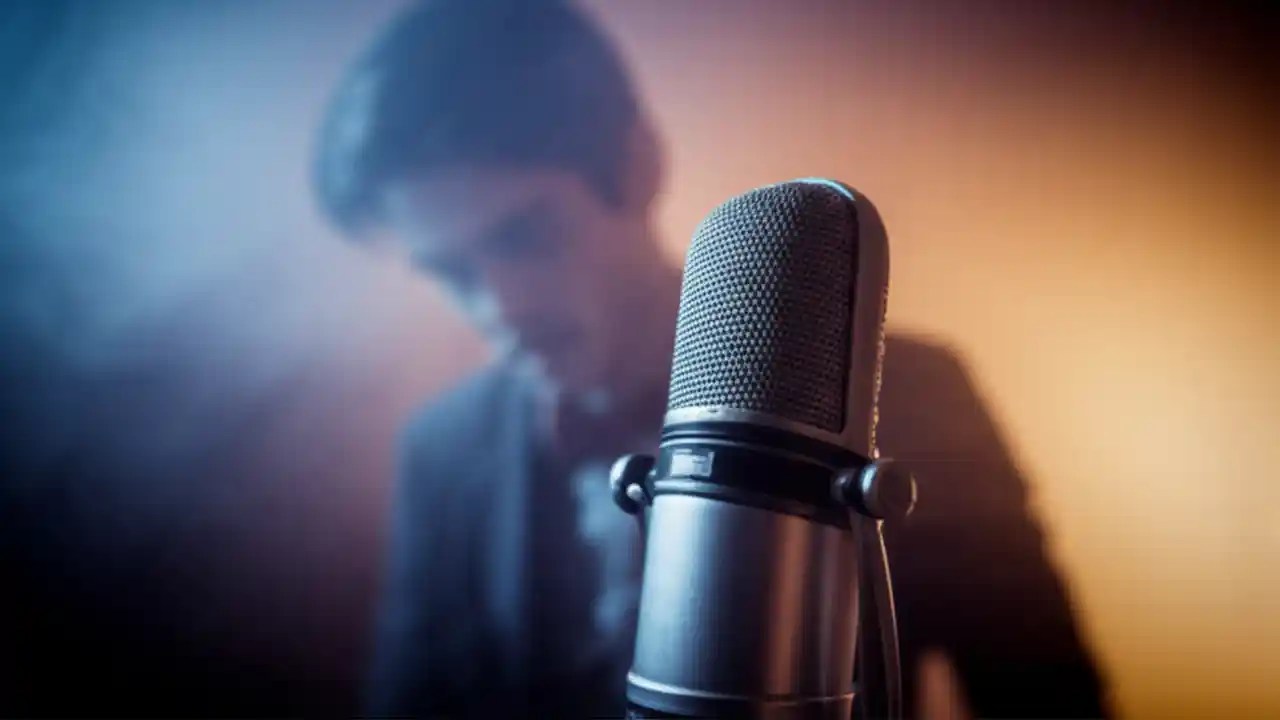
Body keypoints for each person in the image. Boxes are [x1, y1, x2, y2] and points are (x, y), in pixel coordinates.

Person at [313, 2, 1109, 717]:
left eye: (526, 236)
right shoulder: (440, 447)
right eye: (452, 274)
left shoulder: (917, 393)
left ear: (639, 164)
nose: (500, 310)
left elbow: (1048, 693)